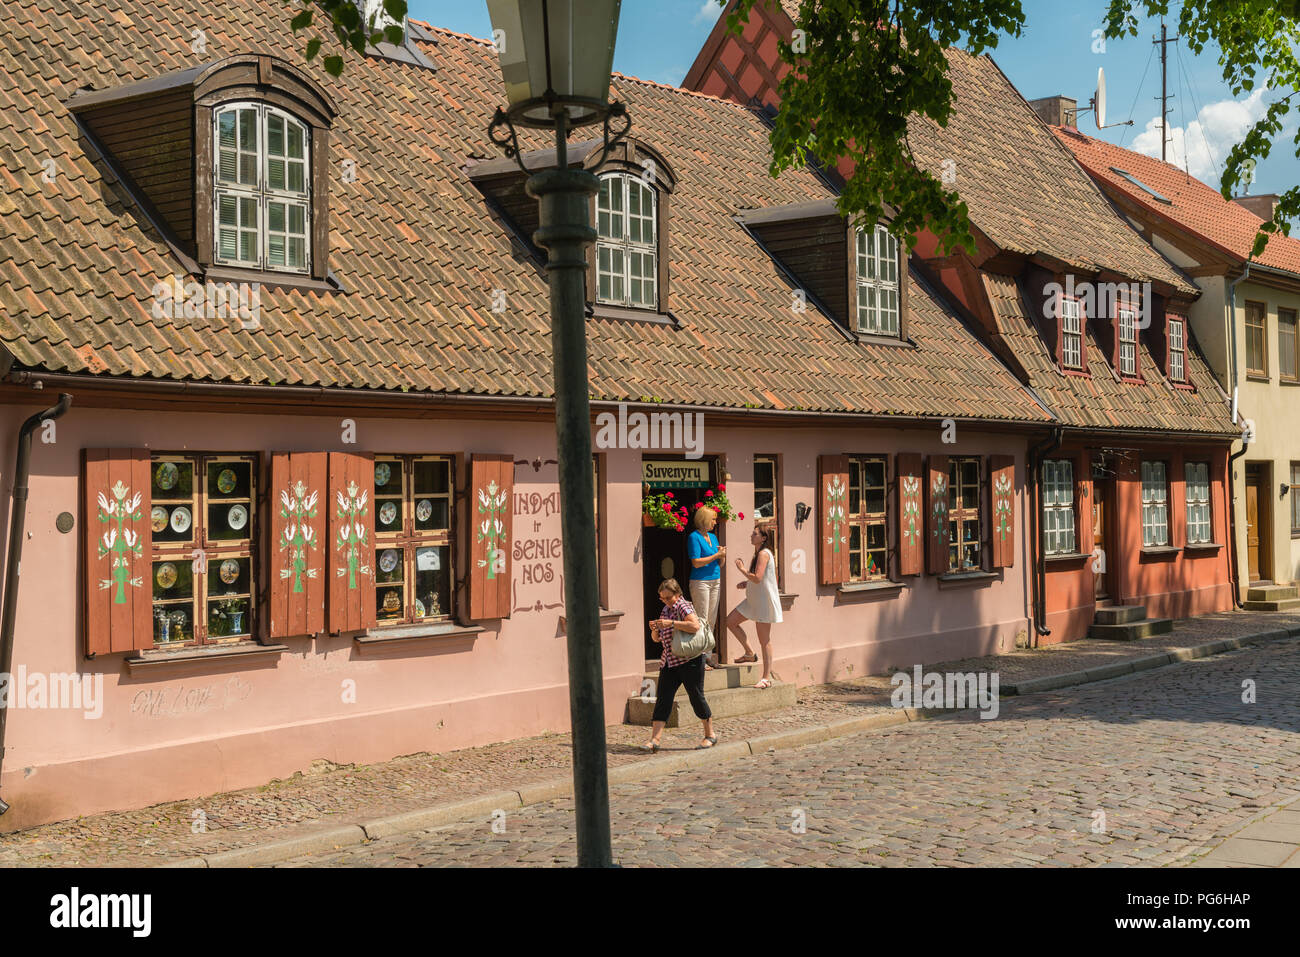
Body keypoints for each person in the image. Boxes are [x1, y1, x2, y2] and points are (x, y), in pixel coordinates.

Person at [643, 578, 717, 751]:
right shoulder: (665, 610)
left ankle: (710, 735)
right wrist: (654, 629)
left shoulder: (683, 606)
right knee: (663, 698)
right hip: (669, 661)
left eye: (668, 597)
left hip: (690, 660)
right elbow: (656, 639)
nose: (665, 601)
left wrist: (672, 623)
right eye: (662, 598)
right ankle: (655, 740)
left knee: (696, 696)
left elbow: (695, 625)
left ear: (677, 594)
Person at [726, 525, 782, 689]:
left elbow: (757, 578)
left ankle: (766, 678)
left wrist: (742, 569)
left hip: (763, 602)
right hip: (753, 600)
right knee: (730, 621)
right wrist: (747, 582)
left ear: (763, 538)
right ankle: (750, 653)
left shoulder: (764, 554)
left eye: (755, 534)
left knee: (764, 641)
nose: (751, 535)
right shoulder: (759, 553)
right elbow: (760, 579)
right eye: (753, 532)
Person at [687, 505, 725, 669]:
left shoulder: (713, 537)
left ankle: (708, 656)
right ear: (704, 520)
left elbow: (719, 562)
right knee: (701, 619)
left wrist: (722, 556)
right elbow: (696, 562)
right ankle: (699, 657)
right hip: (700, 581)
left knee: (711, 619)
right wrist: (716, 555)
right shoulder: (694, 537)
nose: (715, 522)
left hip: (715, 579)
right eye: (713, 519)